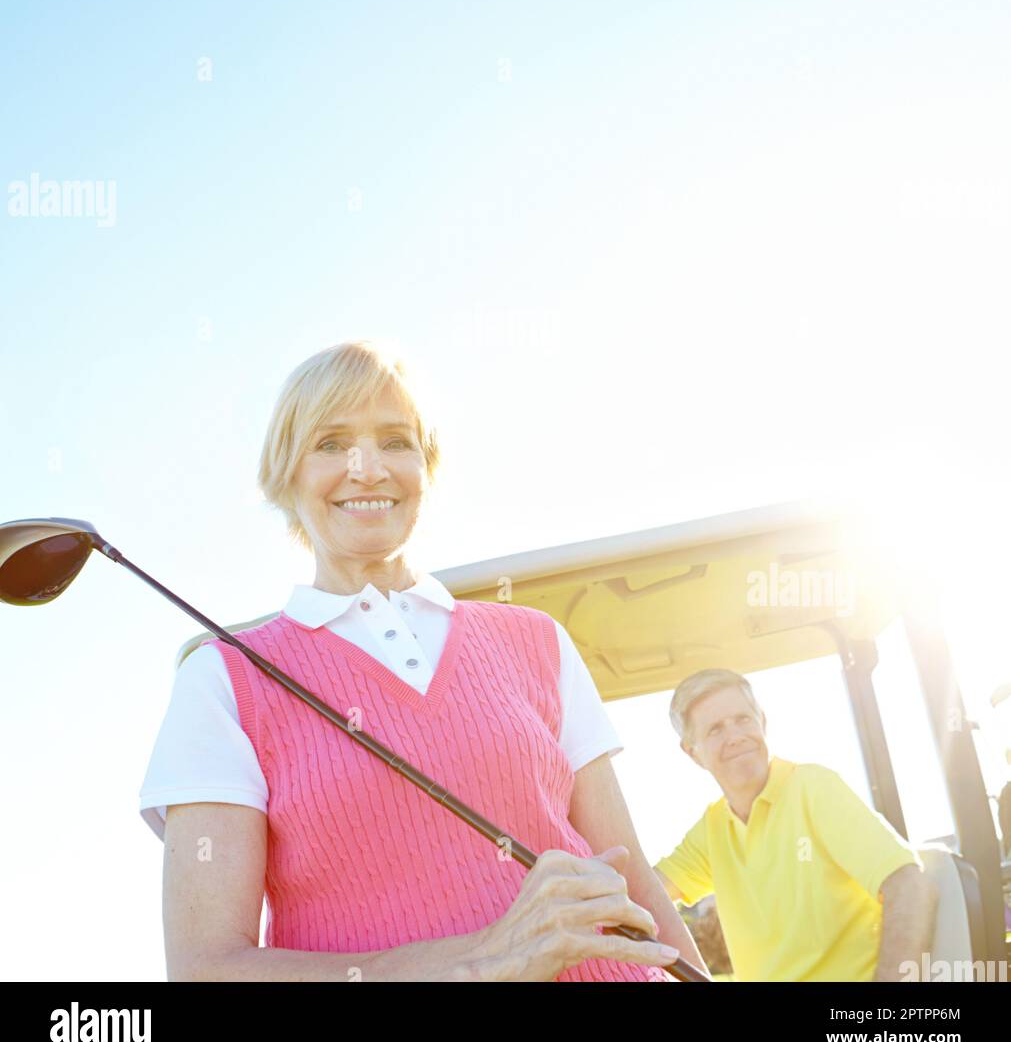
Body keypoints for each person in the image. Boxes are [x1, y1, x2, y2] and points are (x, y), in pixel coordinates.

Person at [140, 339, 707, 982]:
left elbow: (629, 874)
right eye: (330, 444)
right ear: (285, 474)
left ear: (426, 467)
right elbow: (207, 971)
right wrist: (483, 959)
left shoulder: (536, 640)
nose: (368, 469)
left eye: (395, 440)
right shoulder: (222, 680)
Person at [653, 668, 938, 981]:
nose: (735, 736)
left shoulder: (812, 788)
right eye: (716, 729)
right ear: (692, 752)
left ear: (762, 720)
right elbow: (648, 892)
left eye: (743, 719)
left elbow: (908, 882)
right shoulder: (712, 828)